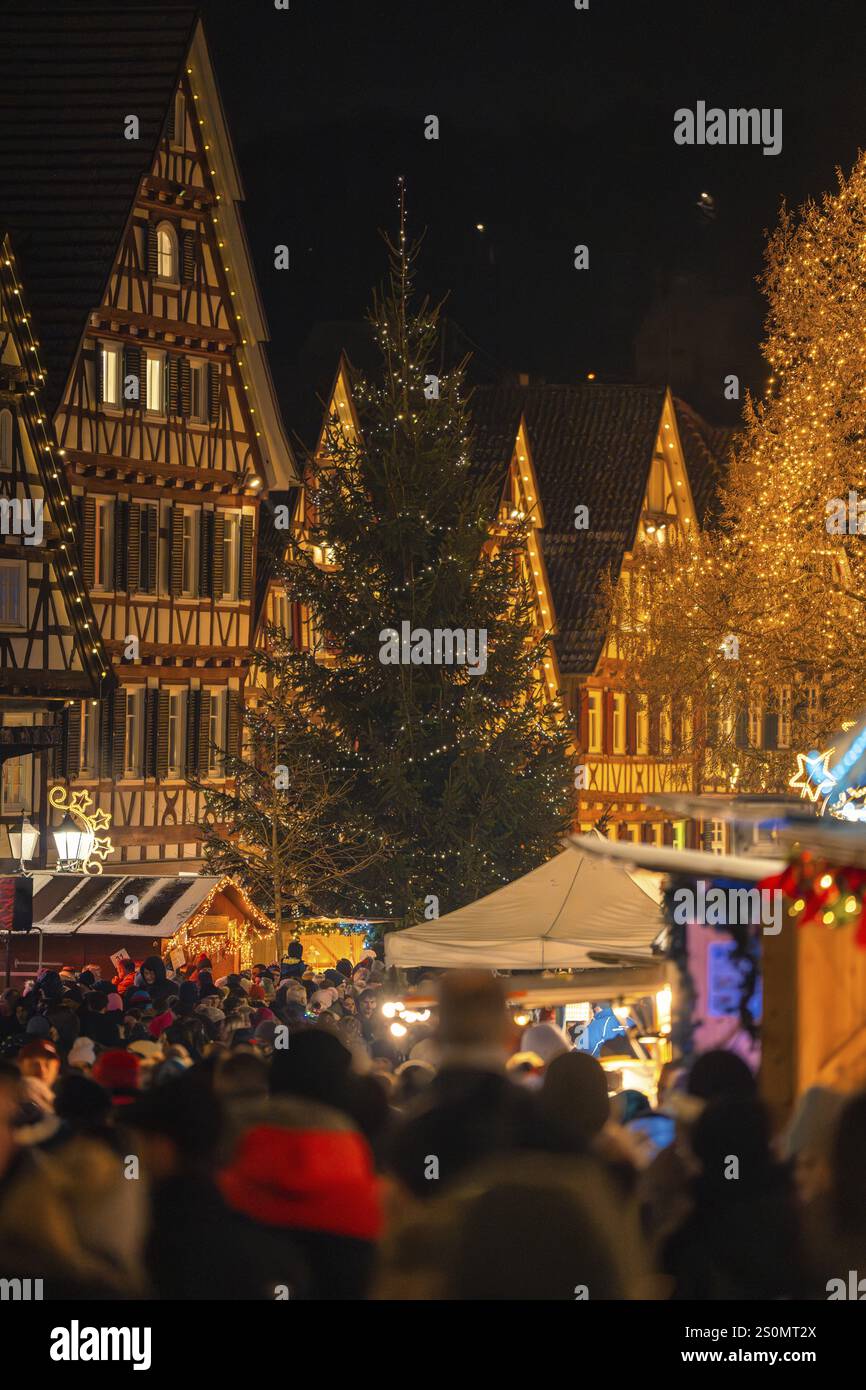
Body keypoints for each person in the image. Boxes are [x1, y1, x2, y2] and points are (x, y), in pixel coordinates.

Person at [387, 971, 539, 1198]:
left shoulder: (417, 1126)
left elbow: (423, 1190)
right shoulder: (537, 1121)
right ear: (507, 1029)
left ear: (439, 1030)